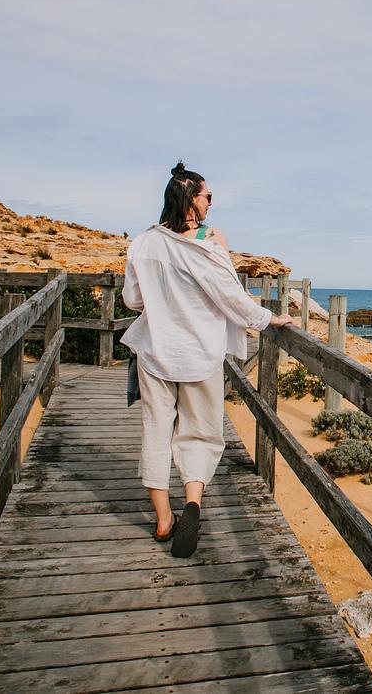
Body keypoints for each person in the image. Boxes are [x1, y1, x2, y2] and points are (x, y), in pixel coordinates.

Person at [120, 162, 292, 558]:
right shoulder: (211, 243)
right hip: (199, 354)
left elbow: (132, 300)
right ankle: (192, 503)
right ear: (191, 200)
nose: (212, 204)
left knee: (156, 431)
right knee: (199, 432)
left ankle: (164, 521)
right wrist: (269, 319)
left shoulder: (144, 243)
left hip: (155, 354)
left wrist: (163, 296)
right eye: (207, 196)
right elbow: (231, 298)